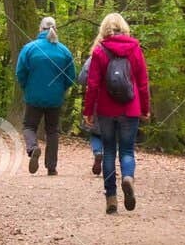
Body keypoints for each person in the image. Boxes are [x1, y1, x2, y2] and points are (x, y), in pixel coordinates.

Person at [82, 12, 150, 213]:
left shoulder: (99, 51)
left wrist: (88, 111)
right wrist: (145, 109)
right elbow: (143, 83)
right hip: (130, 108)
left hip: (105, 110)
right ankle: (128, 177)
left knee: (109, 151)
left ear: (104, 29)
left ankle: (111, 199)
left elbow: (92, 85)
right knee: (127, 150)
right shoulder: (135, 49)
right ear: (124, 28)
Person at [15, 16, 77, 176]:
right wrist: (61, 88)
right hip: (55, 98)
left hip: (33, 96)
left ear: (40, 29)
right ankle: (51, 167)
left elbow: (20, 72)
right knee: (52, 131)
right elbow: (71, 76)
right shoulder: (64, 51)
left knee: (29, 126)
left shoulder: (30, 48)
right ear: (55, 29)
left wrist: (26, 87)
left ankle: (33, 148)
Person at [76, 53, 104, 176]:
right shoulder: (127, 56)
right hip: (118, 101)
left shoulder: (94, 57)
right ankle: (109, 164)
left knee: (94, 131)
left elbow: (82, 79)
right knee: (115, 132)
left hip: (97, 99)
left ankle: (98, 152)